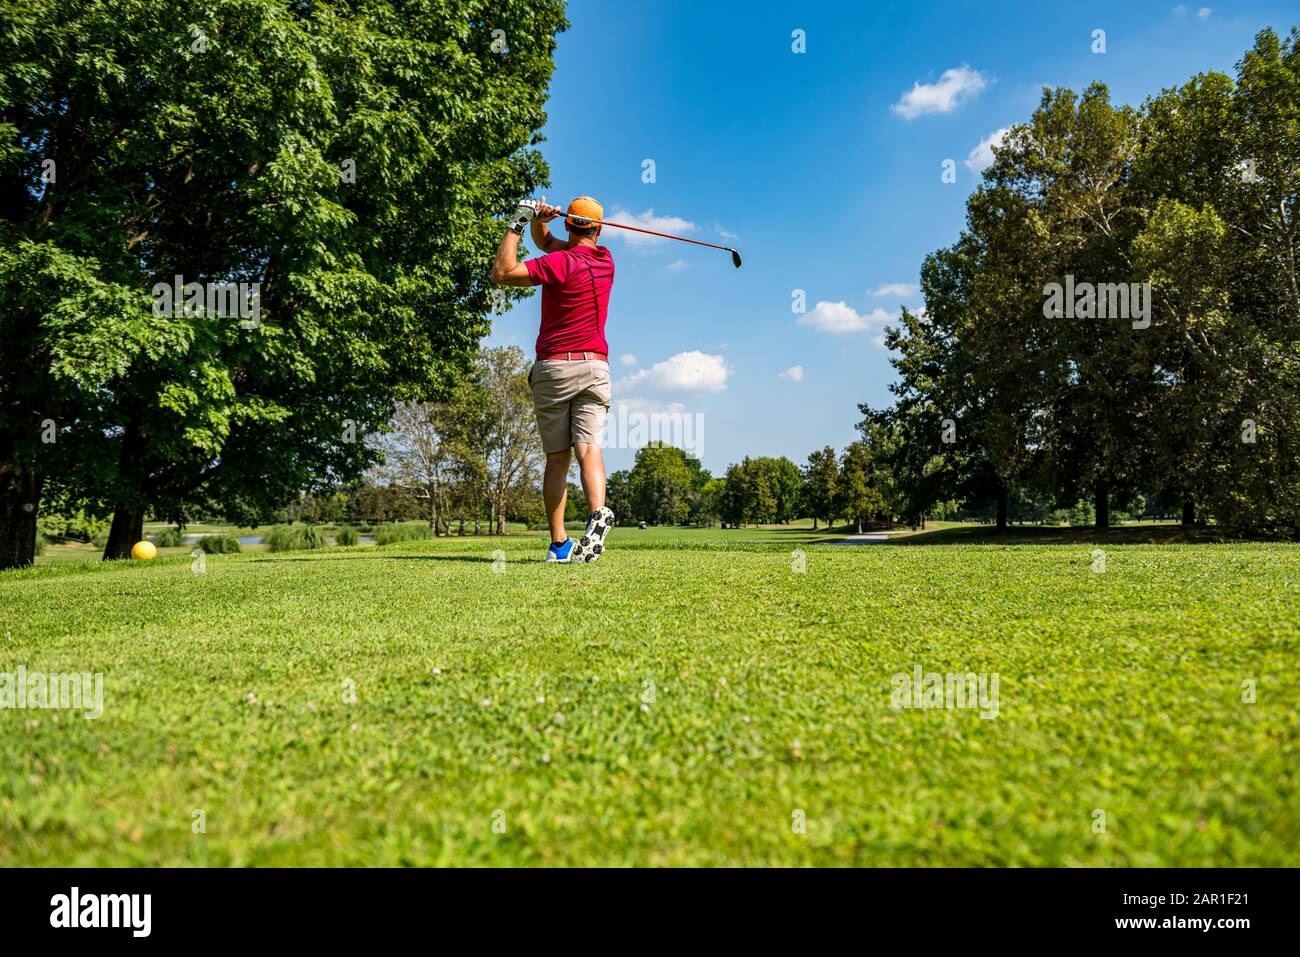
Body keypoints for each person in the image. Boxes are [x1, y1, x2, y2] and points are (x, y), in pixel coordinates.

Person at [491, 196, 617, 563]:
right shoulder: (606, 259)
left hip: (555, 369)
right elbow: (546, 242)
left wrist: (520, 219)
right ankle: (597, 516)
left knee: (557, 459)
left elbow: (503, 272)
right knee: (589, 448)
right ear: (599, 228)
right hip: (596, 368)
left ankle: (559, 544)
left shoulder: (559, 263)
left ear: (568, 224)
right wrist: (540, 223)